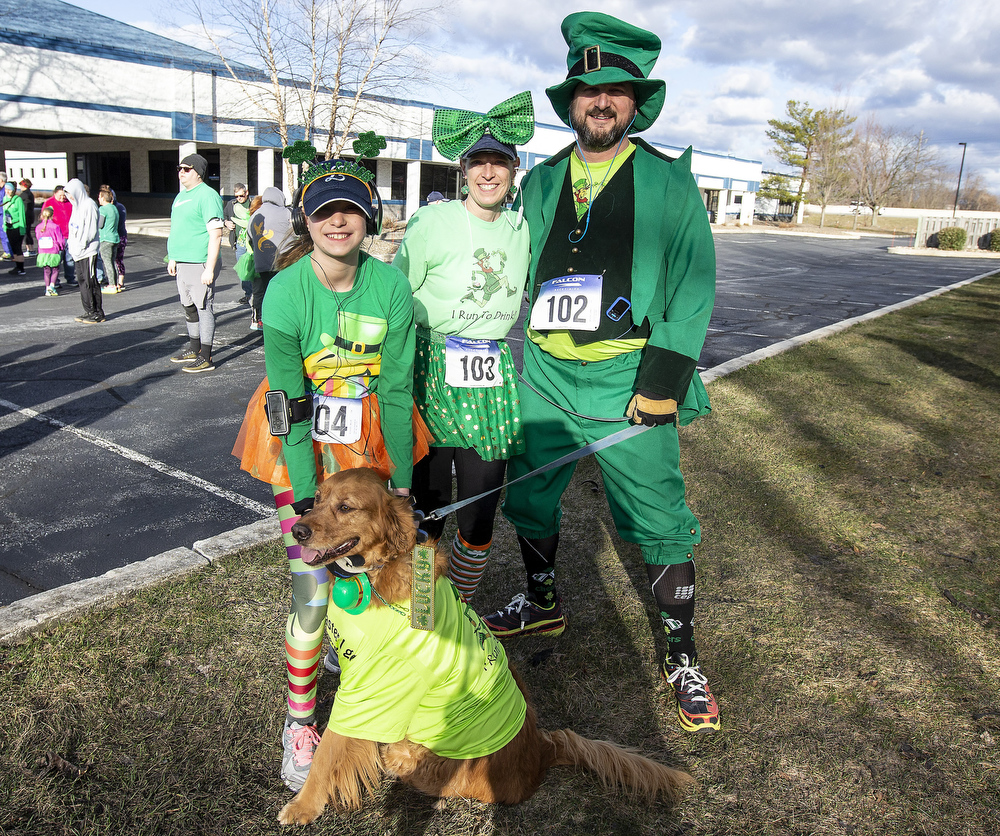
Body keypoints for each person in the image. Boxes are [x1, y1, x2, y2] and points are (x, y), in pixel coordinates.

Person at [483, 12, 721, 734]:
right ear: (572, 101)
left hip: (630, 381)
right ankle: (542, 597)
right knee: (527, 497)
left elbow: (693, 286)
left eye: (616, 90)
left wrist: (661, 386)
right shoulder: (545, 179)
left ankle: (681, 655)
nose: (602, 102)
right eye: (589, 91)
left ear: (635, 102)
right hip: (546, 375)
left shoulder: (668, 181)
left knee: (660, 521)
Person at [231, 157, 431, 792]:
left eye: (349, 209)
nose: (337, 221)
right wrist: (304, 508)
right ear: (306, 222)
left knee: (390, 570)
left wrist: (399, 482)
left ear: (368, 218)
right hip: (299, 440)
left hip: (368, 433)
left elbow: (397, 391)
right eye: (323, 211)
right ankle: (298, 720)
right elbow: (286, 405)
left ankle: (389, 691)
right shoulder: (287, 290)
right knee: (311, 583)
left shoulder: (391, 287)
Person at [392, 92, 534, 601]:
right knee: (427, 505)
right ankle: (425, 612)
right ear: (464, 169)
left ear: (514, 171)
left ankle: (465, 609)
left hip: (489, 377)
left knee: (479, 507)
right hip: (430, 371)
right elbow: (395, 297)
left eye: (500, 163)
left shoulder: (522, 228)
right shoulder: (433, 222)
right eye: (480, 163)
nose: (489, 173)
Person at [166, 154, 224, 373]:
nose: (181, 172)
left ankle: (206, 357)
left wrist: (209, 268)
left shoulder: (208, 196)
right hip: (182, 262)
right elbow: (177, 228)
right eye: (179, 168)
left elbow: (216, 234)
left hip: (200, 262)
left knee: (203, 307)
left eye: (186, 169)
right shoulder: (180, 197)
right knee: (188, 307)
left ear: (198, 172)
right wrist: (172, 257)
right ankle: (194, 348)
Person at [246, 185, 293, 331]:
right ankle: (283, 325)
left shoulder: (255, 215)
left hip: (262, 265)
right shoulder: (286, 212)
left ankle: (266, 323)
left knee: (267, 293)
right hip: (284, 263)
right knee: (284, 295)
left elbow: (249, 237)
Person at [65, 178, 104, 324]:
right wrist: (72, 246)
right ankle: (88, 310)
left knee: (90, 281)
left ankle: (97, 312)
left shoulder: (89, 205)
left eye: (70, 193)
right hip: (77, 252)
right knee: (82, 281)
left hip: (87, 251)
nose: (69, 197)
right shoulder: (76, 207)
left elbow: (91, 229)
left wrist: (82, 244)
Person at [223, 182, 254, 304]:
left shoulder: (253, 203)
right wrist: (226, 222)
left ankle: (257, 294)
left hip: (252, 242)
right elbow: (224, 215)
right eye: (236, 196)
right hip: (240, 243)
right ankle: (248, 294)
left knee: (254, 270)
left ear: (246, 193)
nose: (239, 198)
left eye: (241, 195)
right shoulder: (231, 204)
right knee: (243, 270)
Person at [41, 185, 76, 287]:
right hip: (56, 237)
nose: (62, 197)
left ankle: (70, 278)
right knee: (56, 259)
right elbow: (45, 218)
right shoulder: (49, 203)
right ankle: (54, 281)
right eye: (60, 195)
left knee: (69, 259)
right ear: (55, 194)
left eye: (64, 195)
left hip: (69, 235)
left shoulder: (70, 202)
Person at [35, 205, 66, 297]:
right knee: (56, 269)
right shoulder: (55, 226)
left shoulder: (38, 227)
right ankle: (52, 285)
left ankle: (47, 287)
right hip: (53, 251)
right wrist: (61, 247)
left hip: (43, 252)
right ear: (52, 216)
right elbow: (60, 239)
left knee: (46, 270)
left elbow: (37, 237)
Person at [97, 187, 122, 293]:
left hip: (106, 238)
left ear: (103, 198)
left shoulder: (103, 209)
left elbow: (100, 224)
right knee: (112, 262)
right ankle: (116, 284)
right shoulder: (114, 208)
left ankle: (111, 285)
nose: (98, 199)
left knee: (107, 262)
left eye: (99, 197)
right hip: (115, 238)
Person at [3, 181, 27, 275]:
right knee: (13, 247)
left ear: (13, 190)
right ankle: (17, 266)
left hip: (17, 225)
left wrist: (22, 229)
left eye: (9, 190)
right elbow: (5, 214)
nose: (7, 191)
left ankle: (21, 268)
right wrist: (5, 226)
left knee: (18, 247)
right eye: (6, 190)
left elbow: (22, 215)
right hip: (9, 226)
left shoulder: (18, 200)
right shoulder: (5, 199)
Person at [18, 179, 36, 256]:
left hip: (25, 216)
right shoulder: (30, 194)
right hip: (30, 215)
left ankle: (30, 249)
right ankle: (31, 249)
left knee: (26, 233)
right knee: (28, 232)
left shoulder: (24, 195)